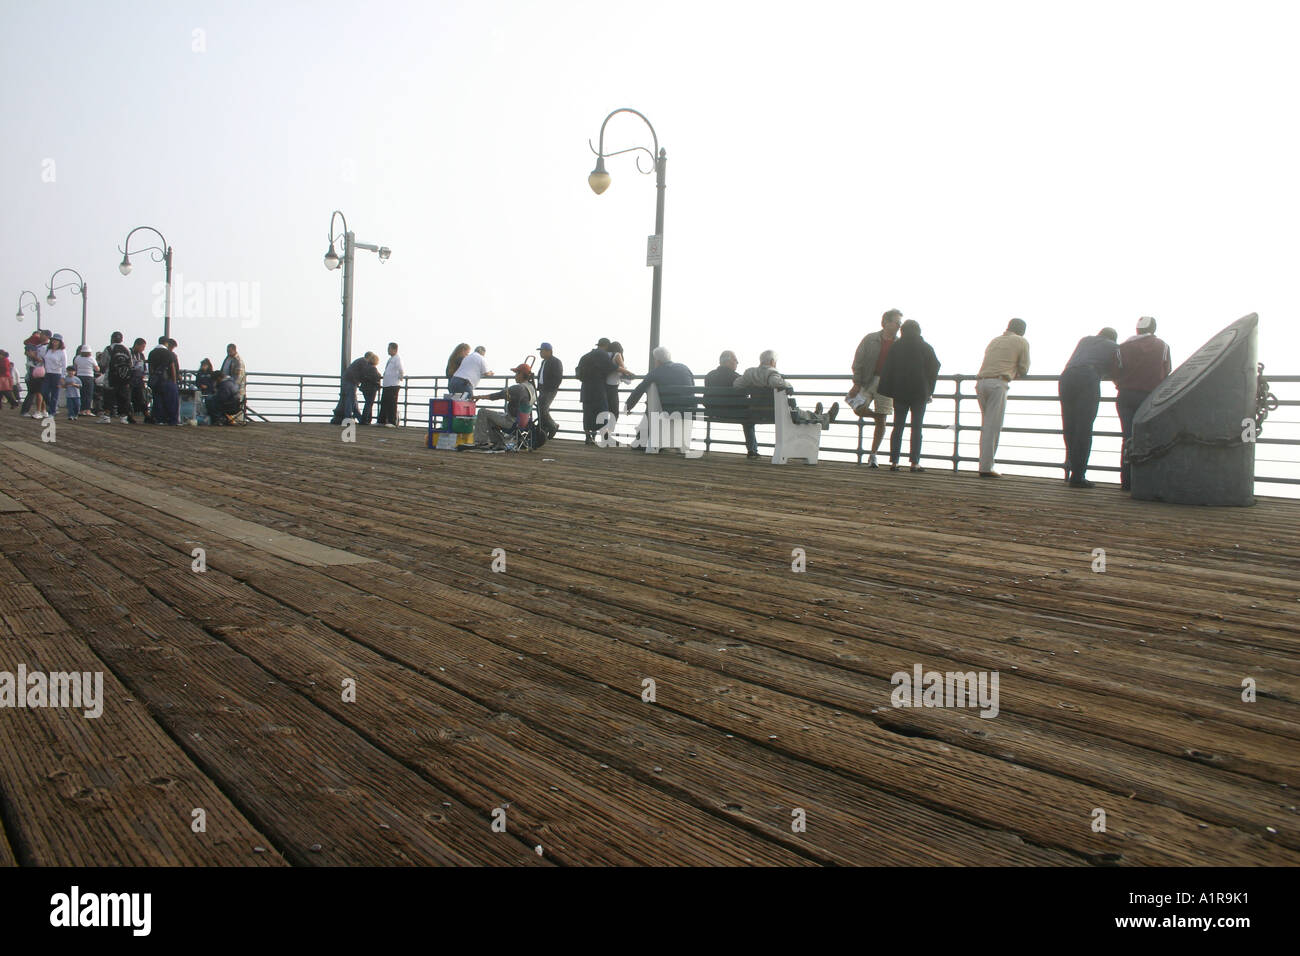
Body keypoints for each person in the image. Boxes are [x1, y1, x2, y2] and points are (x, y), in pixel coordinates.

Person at [1059, 327, 1121, 488]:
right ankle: (1078, 476)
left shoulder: (1085, 340)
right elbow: (1115, 370)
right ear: (1113, 338)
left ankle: (1069, 467)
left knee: (1069, 426)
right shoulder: (1113, 347)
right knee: (1084, 428)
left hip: (1066, 377)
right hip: (1087, 378)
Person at [1116, 316, 1172, 491]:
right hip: (1149, 397)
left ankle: (1127, 480)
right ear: (1153, 329)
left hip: (1125, 395)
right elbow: (1167, 369)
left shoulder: (1123, 347)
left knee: (1128, 436)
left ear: (1137, 329)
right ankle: (1146, 480)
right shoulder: (1162, 346)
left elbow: (1115, 369)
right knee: (1149, 437)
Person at [877, 320, 941, 472]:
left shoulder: (896, 347)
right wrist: (929, 389)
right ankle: (914, 462)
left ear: (902, 331)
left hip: (899, 392)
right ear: (918, 331)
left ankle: (894, 461)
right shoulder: (925, 347)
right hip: (919, 392)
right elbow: (935, 366)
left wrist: (888, 389)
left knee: (898, 426)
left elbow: (888, 369)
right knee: (916, 427)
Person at [975, 318, 1031, 477]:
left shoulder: (995, 340)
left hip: (981, 383)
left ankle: (984, 464)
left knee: (986, 426)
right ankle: (986, 468)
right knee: (993, 428)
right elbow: (1024, 368)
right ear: (1023, 331)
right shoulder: (1021, 341)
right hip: (998, 383)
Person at [850, 309, 903, 467]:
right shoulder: (870, 338)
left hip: (888, 384)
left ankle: (873, 455)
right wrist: (857, 382)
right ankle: (875, 416)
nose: (899, 326)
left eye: (900, 323)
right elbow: (858, 359)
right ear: (886, 322)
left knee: (883, 418)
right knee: (856, 407)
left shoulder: (900, 343)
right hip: (867, 380)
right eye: (897, 322)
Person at [737, 350, 837, 427]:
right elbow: (774, 382)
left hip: (756, 412)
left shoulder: (749, 373)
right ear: (772, 362)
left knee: (798, 412)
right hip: (775, 413)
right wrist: (788, 385)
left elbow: (737, 384)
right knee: (797, 413)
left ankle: (817, 415)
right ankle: (826, 418)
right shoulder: (771, 372)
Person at [704, 350, 759, 458]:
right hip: (735, 413)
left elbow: (706, 398)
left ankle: (753, 450)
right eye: (735, 360)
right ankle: (752, 450)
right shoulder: (736, 378)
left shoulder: (709, 376)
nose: (737, 363)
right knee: (748, 419)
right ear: (728, 362)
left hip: (713, 412)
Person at [469, 364, 538, 449]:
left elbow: (496, 396)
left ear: (521, 374)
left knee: (482, 412)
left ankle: (480, 442)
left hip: (512, 422)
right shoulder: (531, 388)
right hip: (524, 422)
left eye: (516, 373)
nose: (515, 376)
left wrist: (479, 397)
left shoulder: (518, 388)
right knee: (493, 415)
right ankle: (498, 443)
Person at [575, 338, 617, 445]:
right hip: (598, 389)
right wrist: (625, 370)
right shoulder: (602, 354)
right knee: (602, 412)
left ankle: (588, 437)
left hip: (585, 388)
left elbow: (578, 372)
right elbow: (611, 367)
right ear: (606, 346)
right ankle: (605, 438)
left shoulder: (585, 356)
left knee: (588, 414)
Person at [98, 332, 135, 424]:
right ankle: (123, 417)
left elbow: (103, 364)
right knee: (123, 397)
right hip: (124, 377)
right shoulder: (127, 349)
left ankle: (106, 416)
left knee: (108, 397)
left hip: (111, 377)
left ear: (112, 339)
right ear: (122, 339)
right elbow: (131, 364)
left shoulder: (109, 349)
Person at [535, 342, 563, 440]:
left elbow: (558, 378)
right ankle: (544, 429)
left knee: (542, 408)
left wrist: (550, 387)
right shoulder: (544, 362)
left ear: (549, 351)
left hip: (549, 390)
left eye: (542, 351)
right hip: (543, 389)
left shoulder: (556, 362)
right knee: (540, 408)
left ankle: (552, 426)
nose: (540, 353)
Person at [330, 354, 370, 425]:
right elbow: (365, 373)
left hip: (349, 380)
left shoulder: (360, 360)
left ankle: (359, 418)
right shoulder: (364, 361)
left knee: (352, 399)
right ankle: (348, 417)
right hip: (351, 381)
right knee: (350, 399)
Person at [604, 340, 635, 428]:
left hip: (602, 386)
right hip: (612, 387)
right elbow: (622, 370)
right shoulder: (617, 354)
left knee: (604, 412)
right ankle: (608, 435)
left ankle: (603, 433)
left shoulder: (605, 355)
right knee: (614, 413)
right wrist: (630, 377)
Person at [39, 335, 68, 420]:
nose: (54, 342)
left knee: (55, 394)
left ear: (60, 342)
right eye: (53, 340)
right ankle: (51, 407)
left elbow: (64, 365)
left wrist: (63, 377)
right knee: (44, 392)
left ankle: (52, 412)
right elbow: (43, 358)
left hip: (56, 374)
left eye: (56, 341)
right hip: (47, 373)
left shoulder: (62, 352)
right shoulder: (48, 350)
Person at [377, 342, 404, 427]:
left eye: (389, 349)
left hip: (393, 384)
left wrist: (400, 377)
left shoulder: (397, 358)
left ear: (394, 349)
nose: (388, 350)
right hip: (387, 384)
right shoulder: (391, 359)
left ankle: (392, 422)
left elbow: (401, 369)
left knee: (392, 403)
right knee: (384, 402)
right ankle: (381, 421)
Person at [21, 331, 48, 418]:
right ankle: (39, 411)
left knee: (36, 393)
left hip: (36, 373)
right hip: (37, 373)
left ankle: (41, 411)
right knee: (36, 392)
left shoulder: (37, 347)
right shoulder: (35, 346)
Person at [220, 343, 245, 422]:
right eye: (227, 351)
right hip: (226, 386)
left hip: (234, 390)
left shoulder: (238, 361)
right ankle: (225, 418)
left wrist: (231, 388)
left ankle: (233, 419)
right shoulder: (227, 358)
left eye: (230, 351)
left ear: (234, 350)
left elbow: (238, 378)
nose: (228, 352)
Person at [357, 352, 382, 425]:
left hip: (364, 388)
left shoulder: (366, 367)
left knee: (368, 403)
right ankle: (365, 420)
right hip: (371, 389)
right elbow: (375, 378)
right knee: (369, 404)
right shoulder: (373, 369)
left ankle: (367, 419)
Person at [73, 346, 98, 416]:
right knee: (88, 394)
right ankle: (87, 410)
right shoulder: (91, 359)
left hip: (80, 376)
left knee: (81, 393)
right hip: (89, 377)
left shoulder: (77, 358)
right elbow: (97, 369)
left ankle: (80, 410)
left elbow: (75, 367)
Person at [130, 338, 149, 420]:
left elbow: (144, 367)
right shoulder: (129, 353)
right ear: (137, 345)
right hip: (130, 379)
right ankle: (129, 415)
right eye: (142, 347)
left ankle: (146, 415)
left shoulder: (141, 355)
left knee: (141, 398)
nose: (143, 349)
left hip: (139, 379)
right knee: (129, 398)